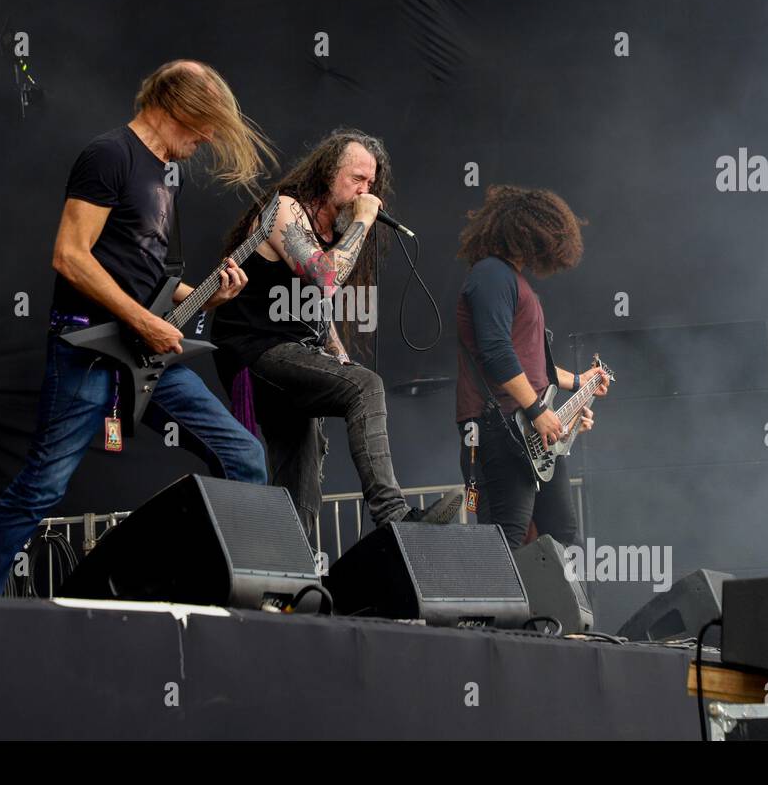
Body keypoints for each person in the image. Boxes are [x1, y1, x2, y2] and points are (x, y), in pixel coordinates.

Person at [0, 60, 275, 595]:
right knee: (43, 485)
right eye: (206, 122)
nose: (210, 136)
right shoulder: (109, 155)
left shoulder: (165, 176)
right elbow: (69, 256)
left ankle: (228, 589)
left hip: (144, 352)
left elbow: (142, 274)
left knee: (245, 455)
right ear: (179, 106)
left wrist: (205, 295)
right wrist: (146, 321)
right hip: (88, 347)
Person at [213, 128, 463, 538]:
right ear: (329, 173)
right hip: (254, 350)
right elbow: (325, 278)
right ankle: (393, 516)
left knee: (301, 476)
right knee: (365, 387)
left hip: (291, 355)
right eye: (356, 179)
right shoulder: (285, 211)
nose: (366, 191)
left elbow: (316, 305)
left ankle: (293, 579)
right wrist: (364, 221)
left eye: (371, 183)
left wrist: (336, 352)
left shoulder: (330, 233)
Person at [455, 185, 608, 549]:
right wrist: (538, 409)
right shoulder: (491, 274)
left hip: (523, 429)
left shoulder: (513, 281)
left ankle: (558, 609)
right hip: (495, 427)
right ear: (528, 232)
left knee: (562, 537)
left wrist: (579, 384)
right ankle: (493, 608)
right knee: (506, 537)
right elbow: (495, 352)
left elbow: (533, 365)